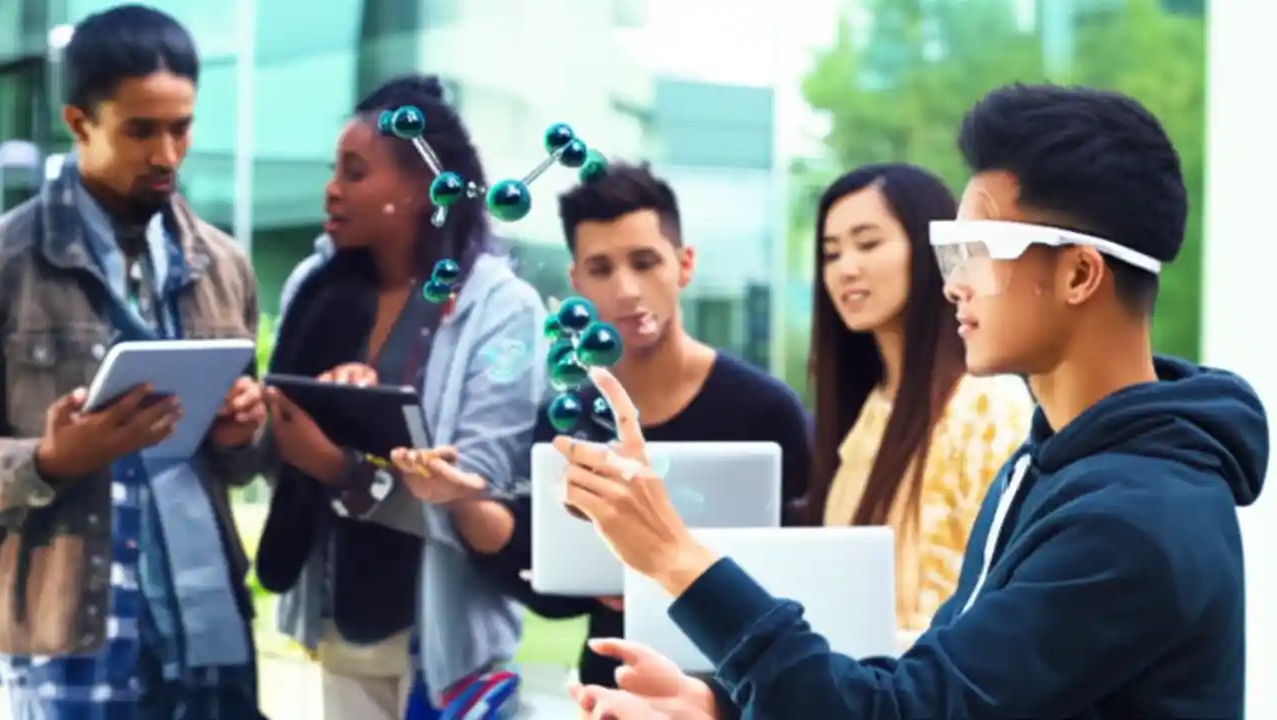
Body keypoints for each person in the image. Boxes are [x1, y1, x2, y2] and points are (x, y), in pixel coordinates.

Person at [558, 83, 1267, 719]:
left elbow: (904, 713)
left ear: (1080, 274)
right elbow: (931, 685)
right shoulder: (1048, 465)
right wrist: (722, 707)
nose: (954, 282)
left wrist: (673, 554)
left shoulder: (1135, 523)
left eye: (976, 250)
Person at [390, 162, 812, 689]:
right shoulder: (570, 421)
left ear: (684, 265)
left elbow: (811, 567)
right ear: (577, 282)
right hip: (613, 689)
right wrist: (458, 498)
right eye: (601, 268)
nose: (627, 289)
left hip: (740, 691)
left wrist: (671, 572)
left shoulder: (765, 411)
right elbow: (545, 585)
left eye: (645, 262)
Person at [0, 5, 267, 718]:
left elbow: (246, 464)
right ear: (78, 123)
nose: (168, 154)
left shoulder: (224, 265)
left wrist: (243, 431)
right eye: (141, 130)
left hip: (208, 628)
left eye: (182, 127)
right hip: (70, 638)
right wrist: (49, 459)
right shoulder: (9, 264)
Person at [253, 74, 543, 719]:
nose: (332, 188)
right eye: (334, 169)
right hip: (340, 627)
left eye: (355, 172)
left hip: (447, 652)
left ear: (420, 190)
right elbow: (280, 456)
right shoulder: (313, 285)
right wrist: (267, 419)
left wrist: (338, 464)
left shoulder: (501, 309)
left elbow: (476, 492)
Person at [801, 163, 1031, 642]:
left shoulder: (986, 406)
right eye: (831, 253)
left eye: (868, 244)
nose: (846, 268)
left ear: (931, 252)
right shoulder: (868, 411)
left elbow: (1003, 596)